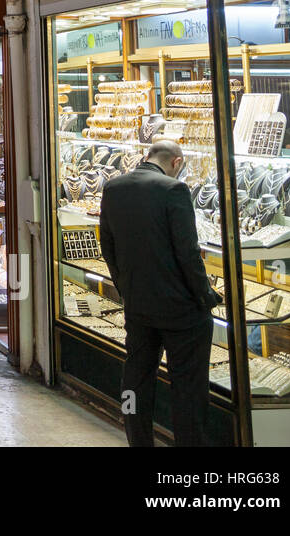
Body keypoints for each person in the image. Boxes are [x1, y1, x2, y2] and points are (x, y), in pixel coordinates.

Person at [100, 140, 222, 447]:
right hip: (180, 309)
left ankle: (137, 440)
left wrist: (126, 289)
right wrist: (205, 295)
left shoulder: (114, 188)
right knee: (188, 389)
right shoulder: (174, 191)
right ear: (176, 163)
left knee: (135, 381)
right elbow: (188, 252)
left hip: (138, 305)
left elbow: (108, 247)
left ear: (147, 156)